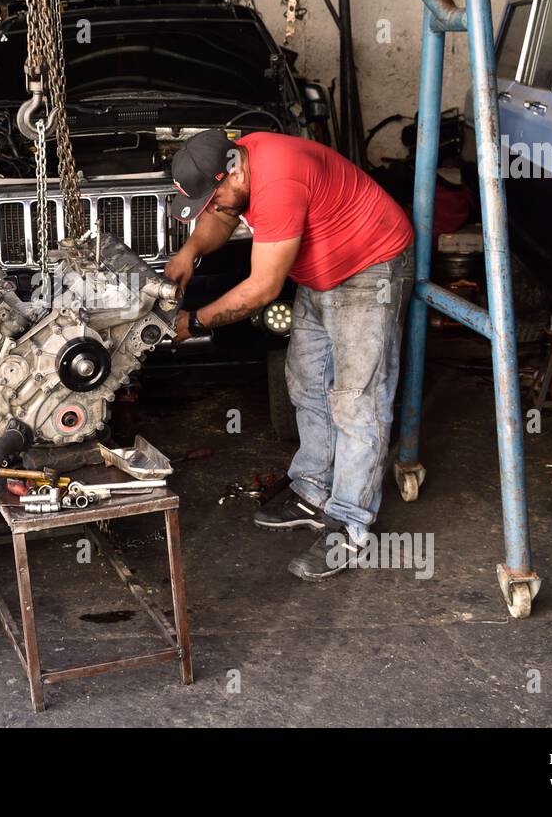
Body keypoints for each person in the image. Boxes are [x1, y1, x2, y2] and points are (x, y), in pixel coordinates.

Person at [165, 130, 413, 580]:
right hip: (320, 274)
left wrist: (194, 323)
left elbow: (261, 290)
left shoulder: (278, 181)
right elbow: (222, 214)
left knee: (356, 400)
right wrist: (189, 252)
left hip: (367, 268)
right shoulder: (236, 168)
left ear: (234, 167)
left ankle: (350, 527)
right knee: (305, 380)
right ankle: (313, 490)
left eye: (212, 196)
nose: (213, 207)